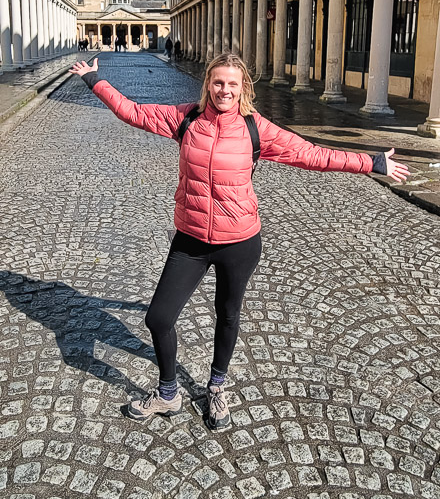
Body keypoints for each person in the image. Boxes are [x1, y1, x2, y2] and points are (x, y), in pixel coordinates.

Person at [69, 53, 409, 431]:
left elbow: (311, 154)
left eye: (232, 84)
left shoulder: (255, 129)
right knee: (159, 317)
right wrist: (95, 81)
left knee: (228, 314)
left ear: (243, 88)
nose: (224, 90)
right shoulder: (186, 118)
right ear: (207, 85)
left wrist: (370, 163)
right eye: (218, 82)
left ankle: (216, 386)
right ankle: (169, 393)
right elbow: (133, 111)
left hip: (240, 241)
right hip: (191, 239)